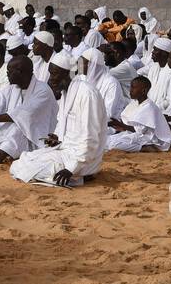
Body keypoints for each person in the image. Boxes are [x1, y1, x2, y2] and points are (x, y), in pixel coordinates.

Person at [10, 54, 106, 187]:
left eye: (54, 74)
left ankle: (81, 176)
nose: (51, 80)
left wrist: (71, 169)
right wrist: (57, 137)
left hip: (83, 159)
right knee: (22, 161)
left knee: (31, 170)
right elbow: (62, 123)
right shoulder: (66, 93)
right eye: (50, 74)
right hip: (66, 151)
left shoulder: (87, 94)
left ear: (68, 73)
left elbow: (91, 137)